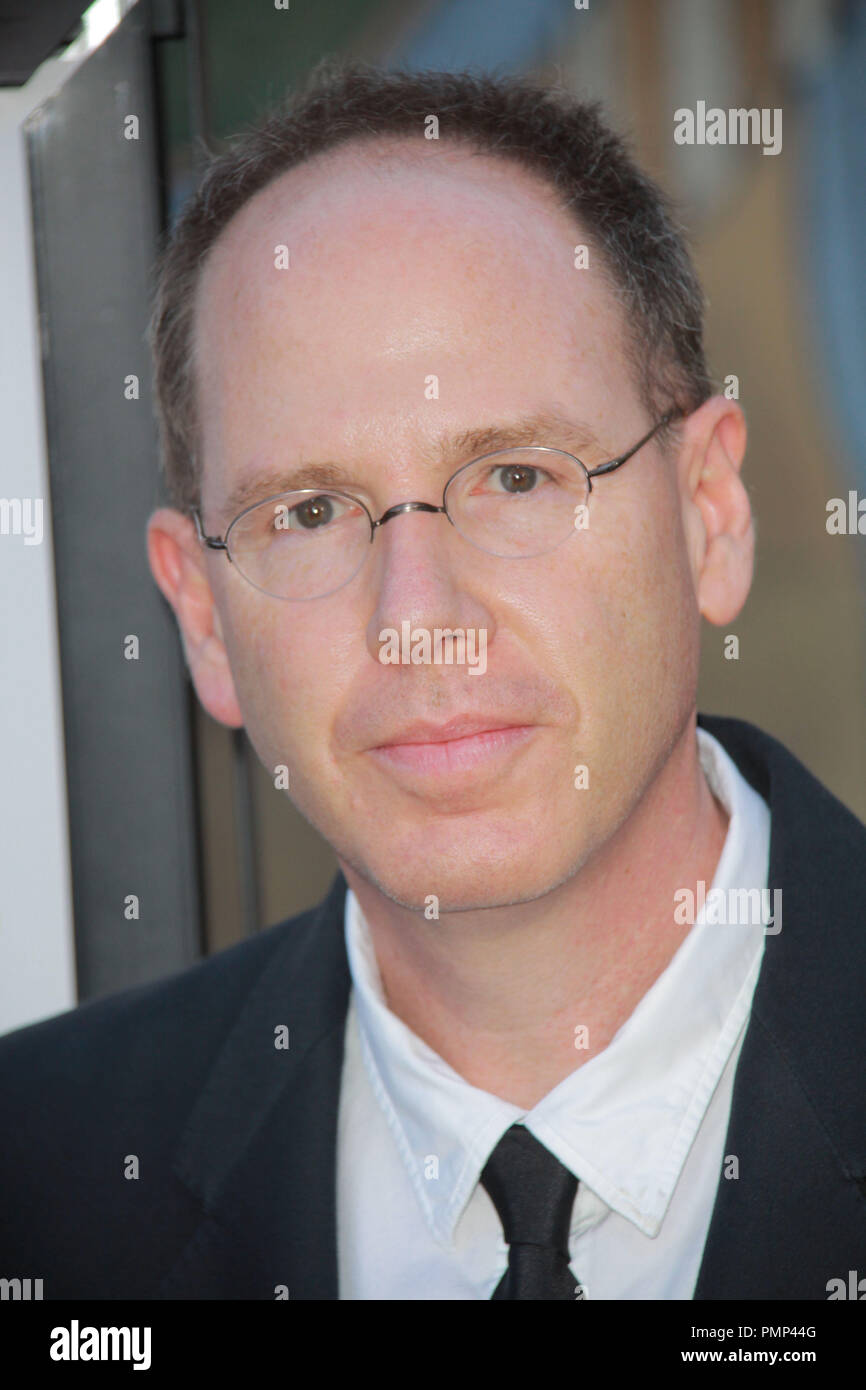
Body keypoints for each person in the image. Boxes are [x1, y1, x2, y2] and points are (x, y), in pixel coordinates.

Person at [1, 61, 864, 1302]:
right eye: (308, 511)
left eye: (515, 476)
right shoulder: (39, 1176)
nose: (418, 619)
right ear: (199, 615)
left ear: (707, 514)